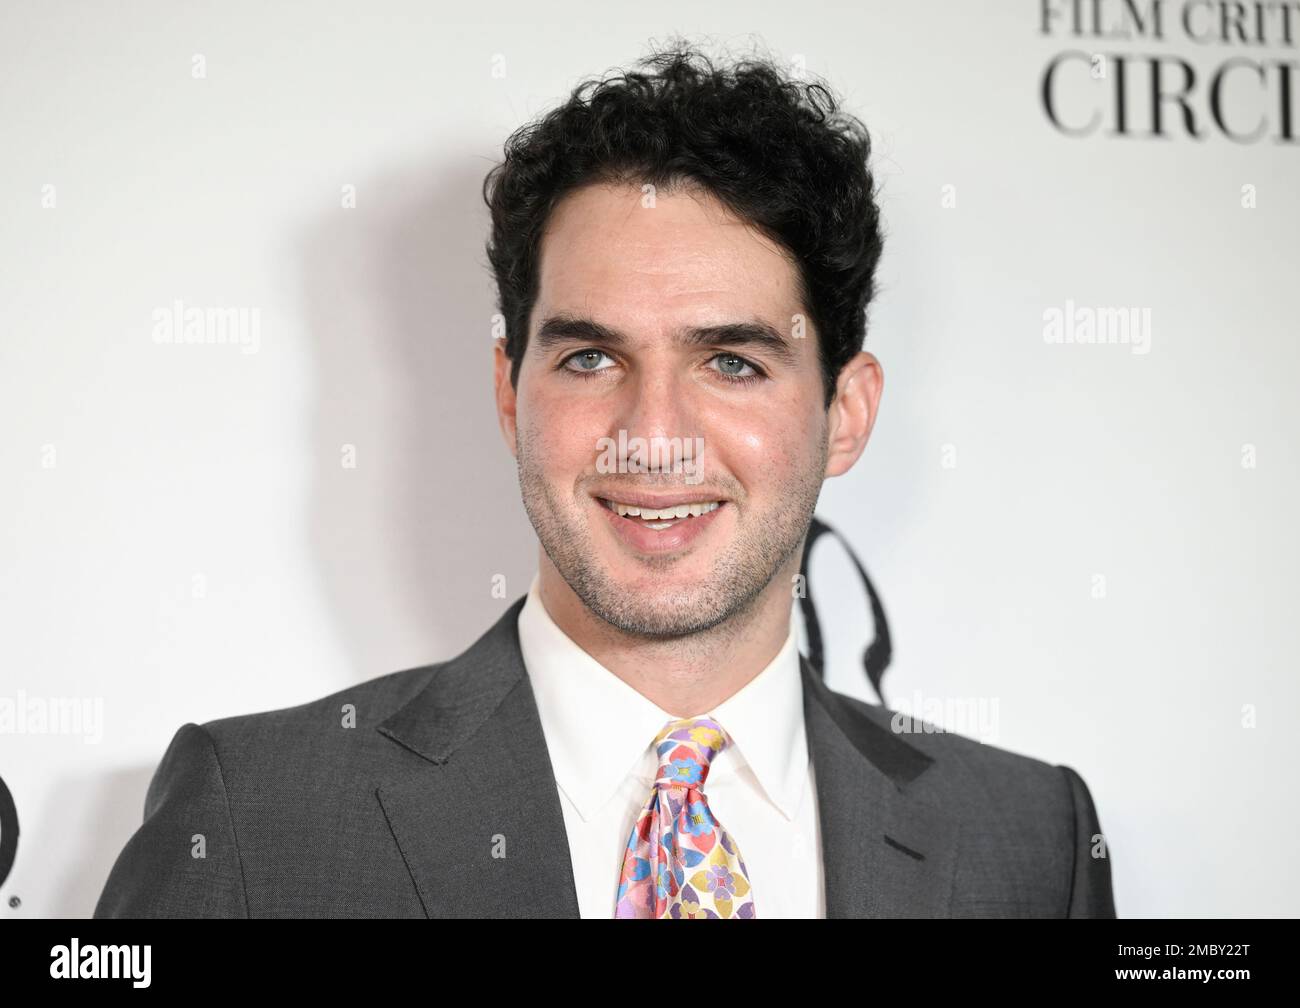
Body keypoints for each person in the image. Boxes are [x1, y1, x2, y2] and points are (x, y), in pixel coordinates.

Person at [95, 42, 1115, 919]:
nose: (654, 436)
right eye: (591, 359)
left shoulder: (1028, 843)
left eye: (732, 362)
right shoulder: (254, 822)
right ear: (509, 392)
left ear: (843, 414)